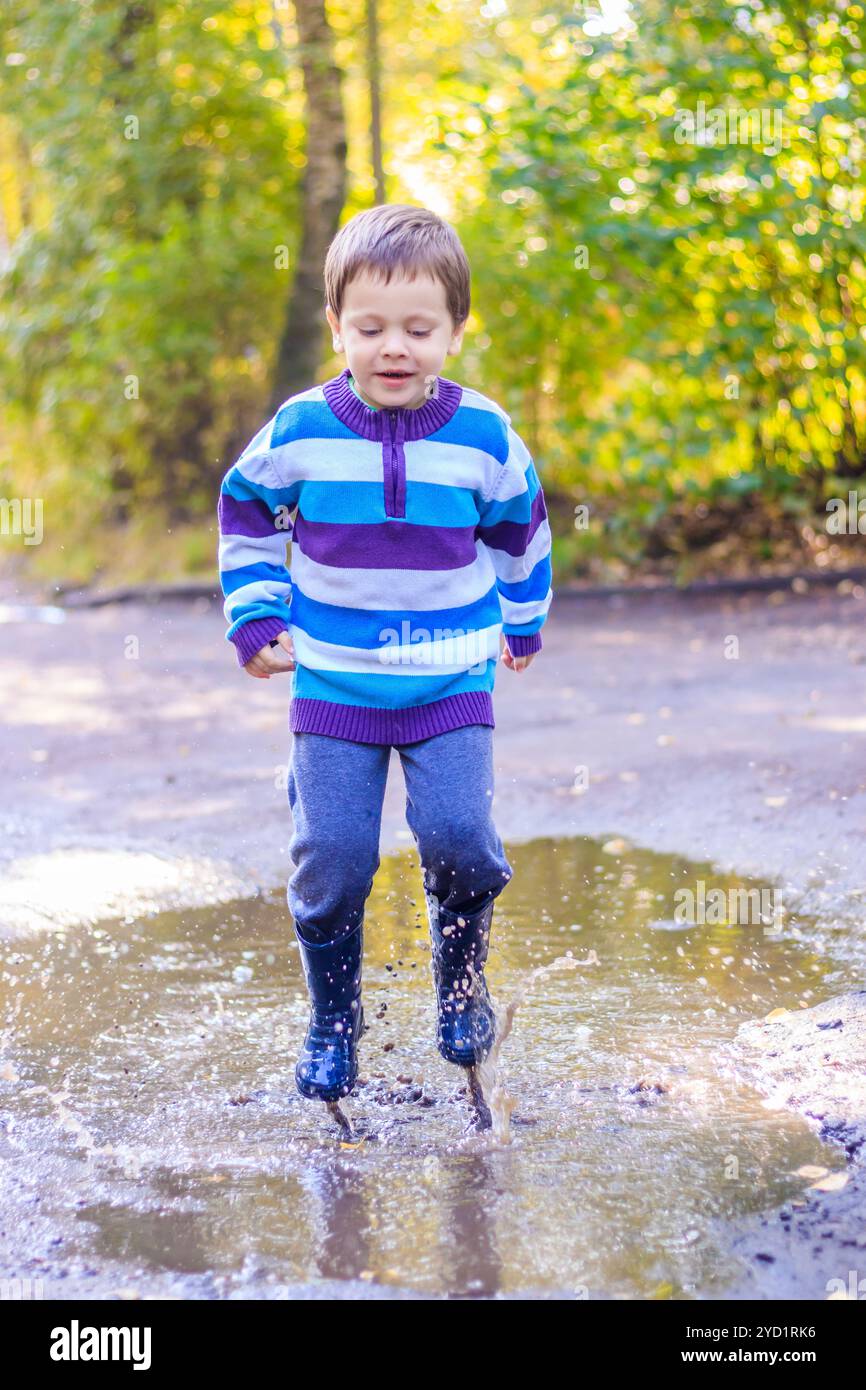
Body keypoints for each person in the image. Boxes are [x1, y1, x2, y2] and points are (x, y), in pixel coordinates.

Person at [217, 203, 553, 1104]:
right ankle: (333, 1018)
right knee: (331, 856)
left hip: (449, 681)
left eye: (417, 328)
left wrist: (523, 618)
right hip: (335, 685)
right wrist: (254, 618)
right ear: (337, 326)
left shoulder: (482, 435)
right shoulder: (299, 431)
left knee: (460, 842)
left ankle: (462, 985)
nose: (393, 347)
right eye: (369, 328)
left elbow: (523, 527)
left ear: (454, 329)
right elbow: (245, 512)